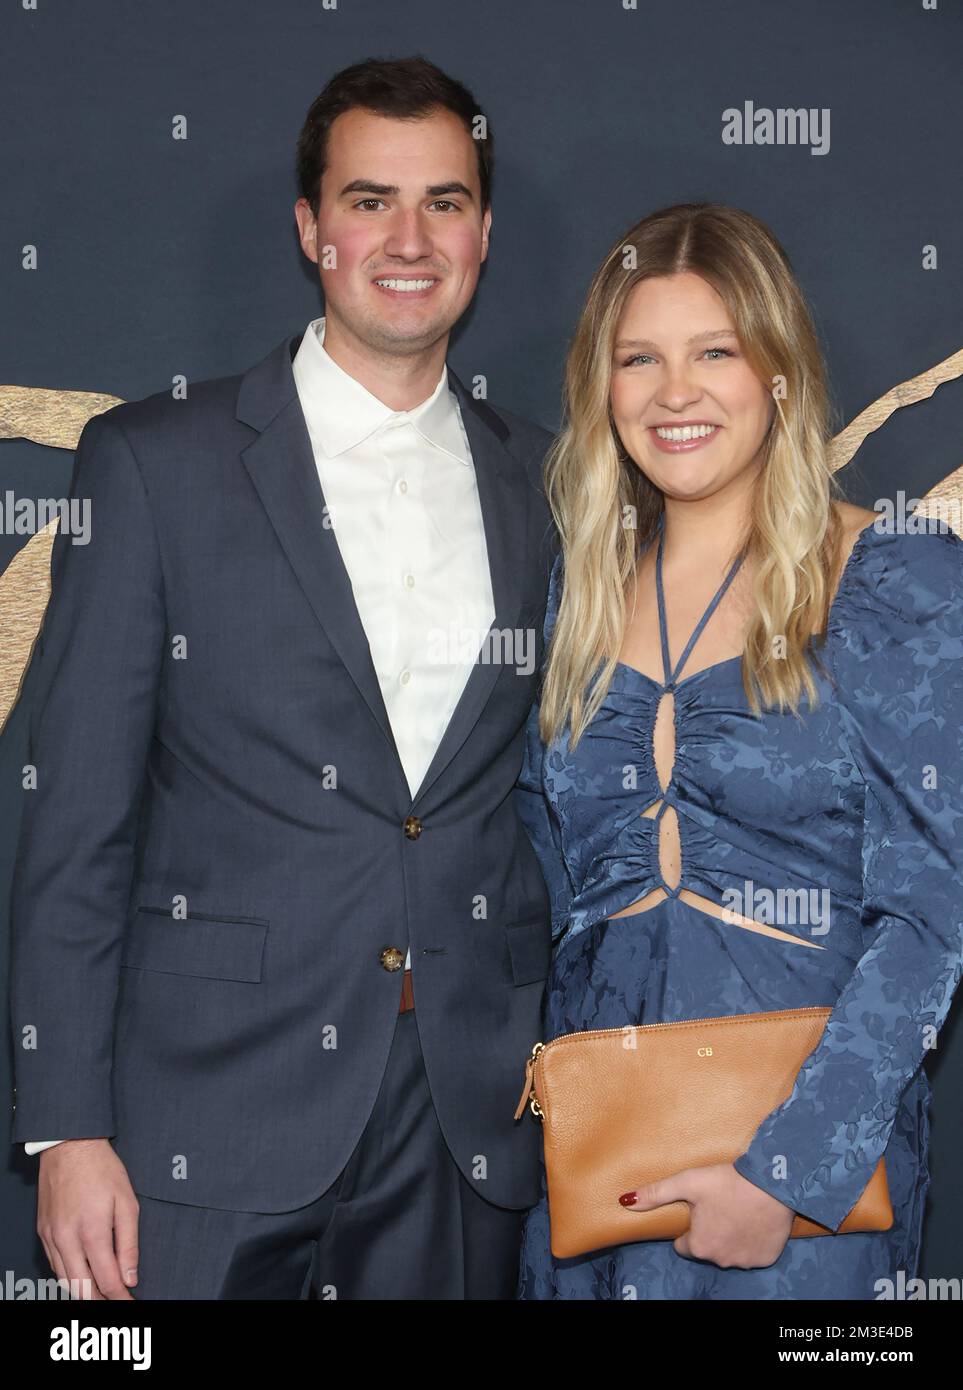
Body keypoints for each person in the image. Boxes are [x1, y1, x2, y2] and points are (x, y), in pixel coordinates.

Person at [10, 55, 556, 1300]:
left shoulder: (550, 478)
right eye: (370, 201)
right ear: (311, 228)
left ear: (483, 232)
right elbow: (77, 818)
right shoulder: (152, 460)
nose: (408, 238)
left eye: (445, 202)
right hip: (195, 1122)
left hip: (465, 1120)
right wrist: (65, 1128)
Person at [515, 202, 963, 1300]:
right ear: (601, 386)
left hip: (806, 1204)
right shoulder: (577, 596)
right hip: (596, 1188)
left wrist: (787, 1174)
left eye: (715, 350)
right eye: (640, 358)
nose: (675, 392)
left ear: (777, 370)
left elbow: (932, 914)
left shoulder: (893, 574)